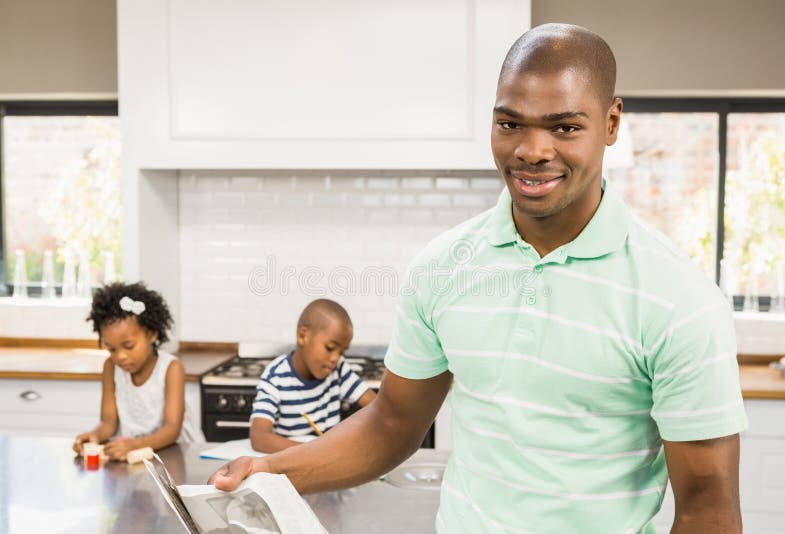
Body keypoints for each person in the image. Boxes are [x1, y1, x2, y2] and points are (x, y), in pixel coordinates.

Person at [210, 23, 746, 533]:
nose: (532, 151)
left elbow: (707, 506)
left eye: (565, 127)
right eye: (510, 123)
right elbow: (390, 424)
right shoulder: (443, 268)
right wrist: (271, 471)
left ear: (610, 124)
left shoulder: (680, 299)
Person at [73, 281, 197, 461]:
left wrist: (134, 445)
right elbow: (109, 422)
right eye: (111, 349)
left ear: (152, 334)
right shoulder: (111, 367)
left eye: (128, 346)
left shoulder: (171, 368)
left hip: (173, 455)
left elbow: (171, 429)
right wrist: (95, 435)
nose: (120, 357)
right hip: (133, 455)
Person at [249, 299, 376, 453]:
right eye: (330, 348)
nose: (336, 358)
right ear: (303, 336)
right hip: (293, 461)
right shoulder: (275, 377)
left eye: (342, 352)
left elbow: (377, 406)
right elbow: (259, 438)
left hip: (328, 460)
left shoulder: (339, 370)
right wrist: (313, 453)